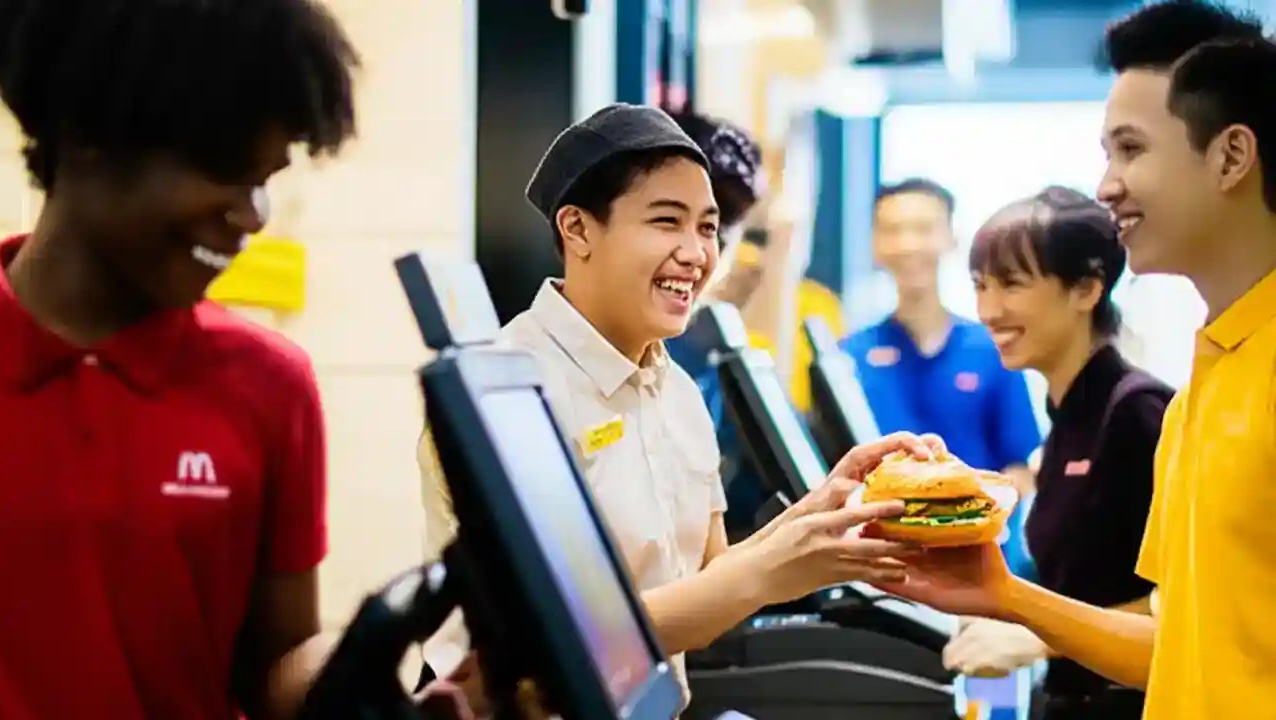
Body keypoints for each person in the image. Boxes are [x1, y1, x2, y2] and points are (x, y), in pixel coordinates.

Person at [417, 103, 936, 709]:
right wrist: (765, 572)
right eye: (667, 222)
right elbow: (545, 651)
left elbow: (708, 583)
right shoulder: (511, 392)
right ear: (577, 229)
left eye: (708, 228)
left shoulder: (677, 390)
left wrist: (815, 519)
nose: (696, 254)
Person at [880, 4, 1276, 719]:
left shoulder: (1152, 404)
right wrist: (1003, 596)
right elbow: (1178, 646)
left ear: (1231, 156)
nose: (1106, 185)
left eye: (1131, 149)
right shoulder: (1203, 390)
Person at [0, 1, 360, 718]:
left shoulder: (270, 384)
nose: (252, 216)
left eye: (264, 179)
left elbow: (278, 663)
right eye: (224, 168)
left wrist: (366, 687)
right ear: (87, 132)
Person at [946, 187, 1172, 719]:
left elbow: (1186, 608)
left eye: (1011, 284)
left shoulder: (1137, 414)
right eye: (980, 286)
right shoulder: (1067, 417)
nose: (988, 310)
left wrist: (1037, 636)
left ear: (1087, 289)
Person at [842, 178, 1041, 575]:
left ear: (951, 238)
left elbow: (1019, 467)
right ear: (875, 244)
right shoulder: (849, 357)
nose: (908, 244)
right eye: (894, 230)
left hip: (980, 564)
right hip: (884, 565)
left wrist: (965, 519)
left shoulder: (992, 349)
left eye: (923, 228)